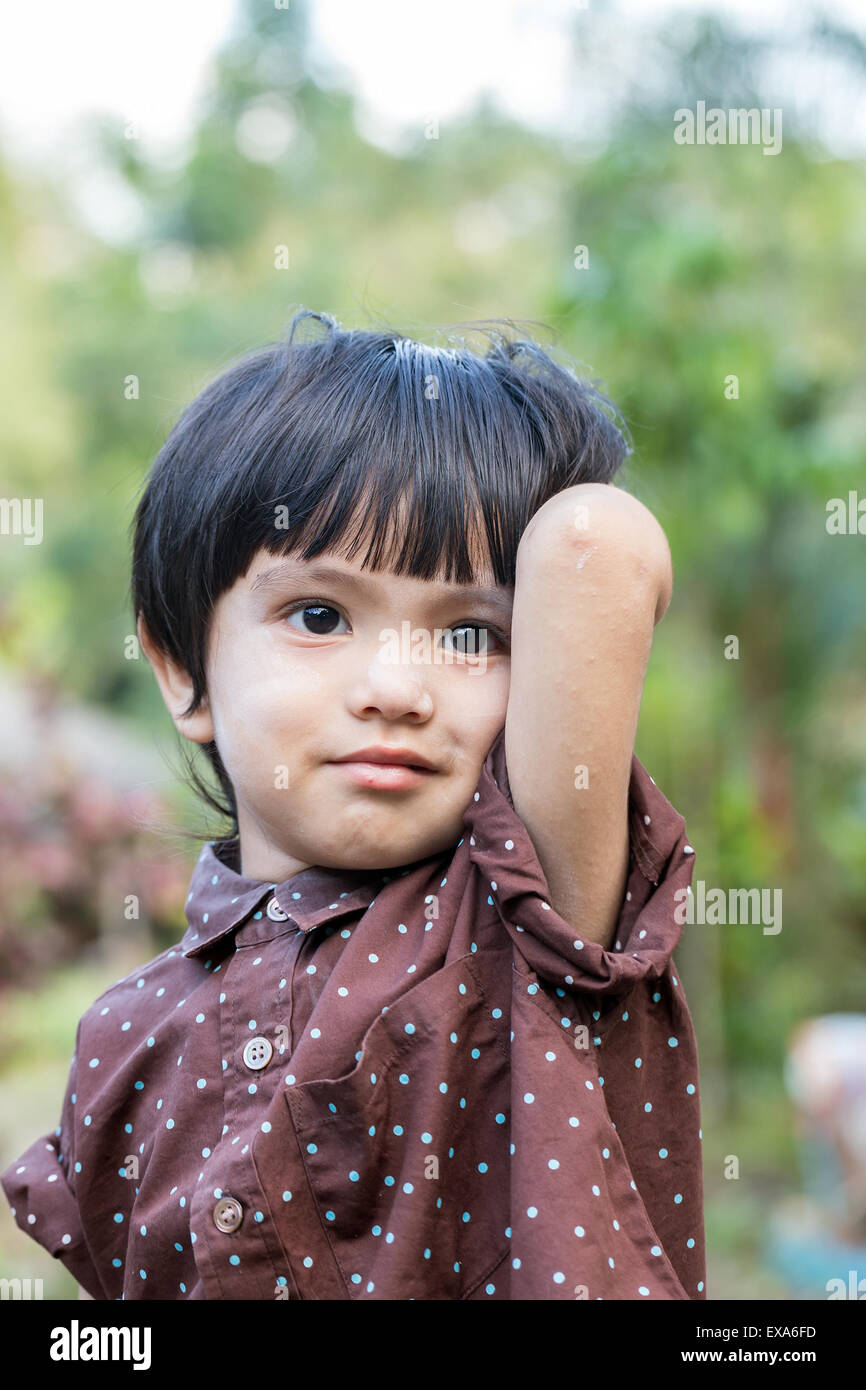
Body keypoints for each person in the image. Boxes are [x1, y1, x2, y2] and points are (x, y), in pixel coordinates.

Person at [2, 308, 706, 1300]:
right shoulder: (124, 1034)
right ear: (180, 671)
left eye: (469, 635)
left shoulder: (526, 921)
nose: (396, 687)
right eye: (319, 615)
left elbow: (597, 541)